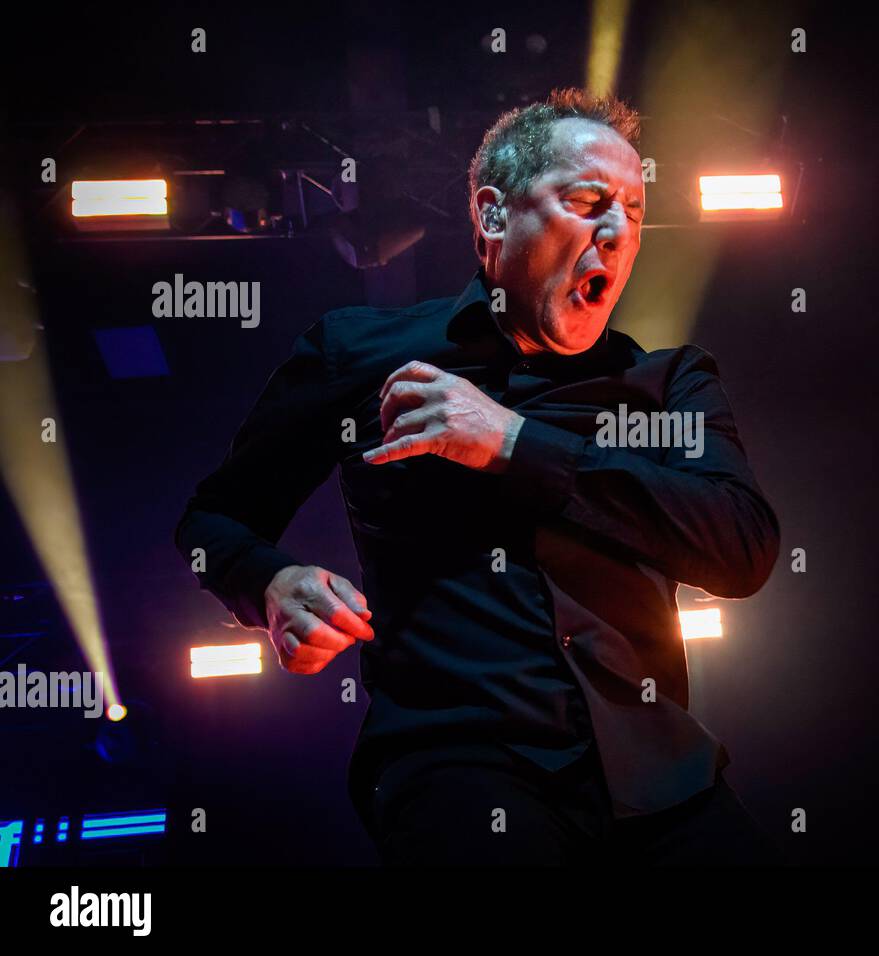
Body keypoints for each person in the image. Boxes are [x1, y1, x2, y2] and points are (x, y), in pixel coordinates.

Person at [175, 87, 783, 865]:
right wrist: (268, 582)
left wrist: (513, 442)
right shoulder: (359, 351)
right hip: (458, 767)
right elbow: (212, 519)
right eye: (588, 200)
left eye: (633, 210)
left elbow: (743, 547)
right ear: (493, 216)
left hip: (662, 777)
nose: (618, 231)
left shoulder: (668, 383)